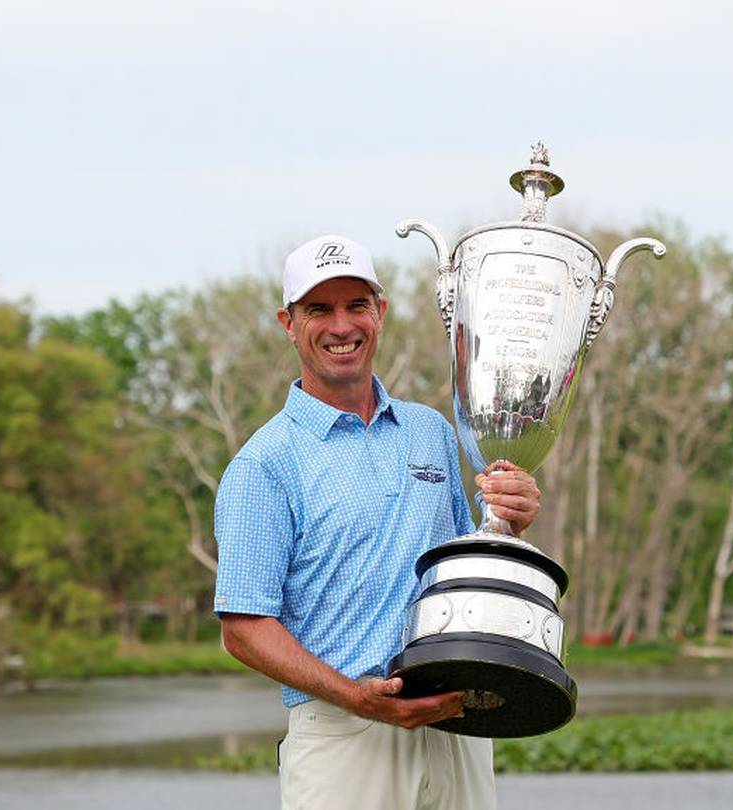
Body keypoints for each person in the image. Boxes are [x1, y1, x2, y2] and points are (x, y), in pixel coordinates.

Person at [213, 234, 542, 810]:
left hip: (455, 723)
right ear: (288, 323)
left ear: (380, 312)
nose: (341, 326)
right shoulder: (264, 464)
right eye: (319, 309)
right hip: (345, 734)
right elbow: (243, 628)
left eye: (356, 305)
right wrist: (355, 696)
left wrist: (510, 520)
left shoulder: (429, 430)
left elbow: (459, 569)